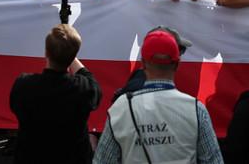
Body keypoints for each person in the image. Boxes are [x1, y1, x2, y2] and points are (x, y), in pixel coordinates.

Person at [93, 29, 223, 163]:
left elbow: (103, 160)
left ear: (142, 64)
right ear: (177, 64)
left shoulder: (121, 109)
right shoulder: (196, 110)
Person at [10, 24, 102, 164]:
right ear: (73, 56)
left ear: (46, 52)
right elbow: (89, 78)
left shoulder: (24, 85)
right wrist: (69, 52)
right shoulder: (83, 88)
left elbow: (14, 106)